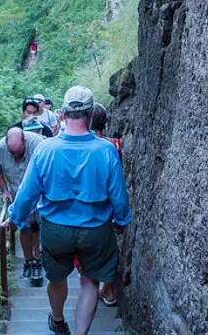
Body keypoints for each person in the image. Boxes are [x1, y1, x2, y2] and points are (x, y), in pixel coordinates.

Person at [10, 87, 131, 335]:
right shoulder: (106, 150)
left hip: (55, 229)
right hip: (95, 229)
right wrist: (121, 220)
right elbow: (119, 194)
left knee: (56, 278)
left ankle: (57, 321)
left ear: (63, 114)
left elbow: (27, 192)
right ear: (90, 114)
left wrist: (15, 218)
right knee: (89, 281)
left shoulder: (46, 149)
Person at [0, 125, 46, 280]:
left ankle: (38, 259)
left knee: (38, 228)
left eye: (19, 153)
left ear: (25, 141)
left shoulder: (39, 144)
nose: (15, 157)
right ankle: (29, 261)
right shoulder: (0, 149)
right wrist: (4, 190)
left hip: (39, 193)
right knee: (25, 228)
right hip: (18, 194)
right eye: (12, 153)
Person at [88, 103, 122, 307]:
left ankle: (93, 286)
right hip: (108, 203)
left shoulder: (81, 145)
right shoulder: (114, 145)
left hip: (86, 203)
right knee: (108, 249)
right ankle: (107, 288)